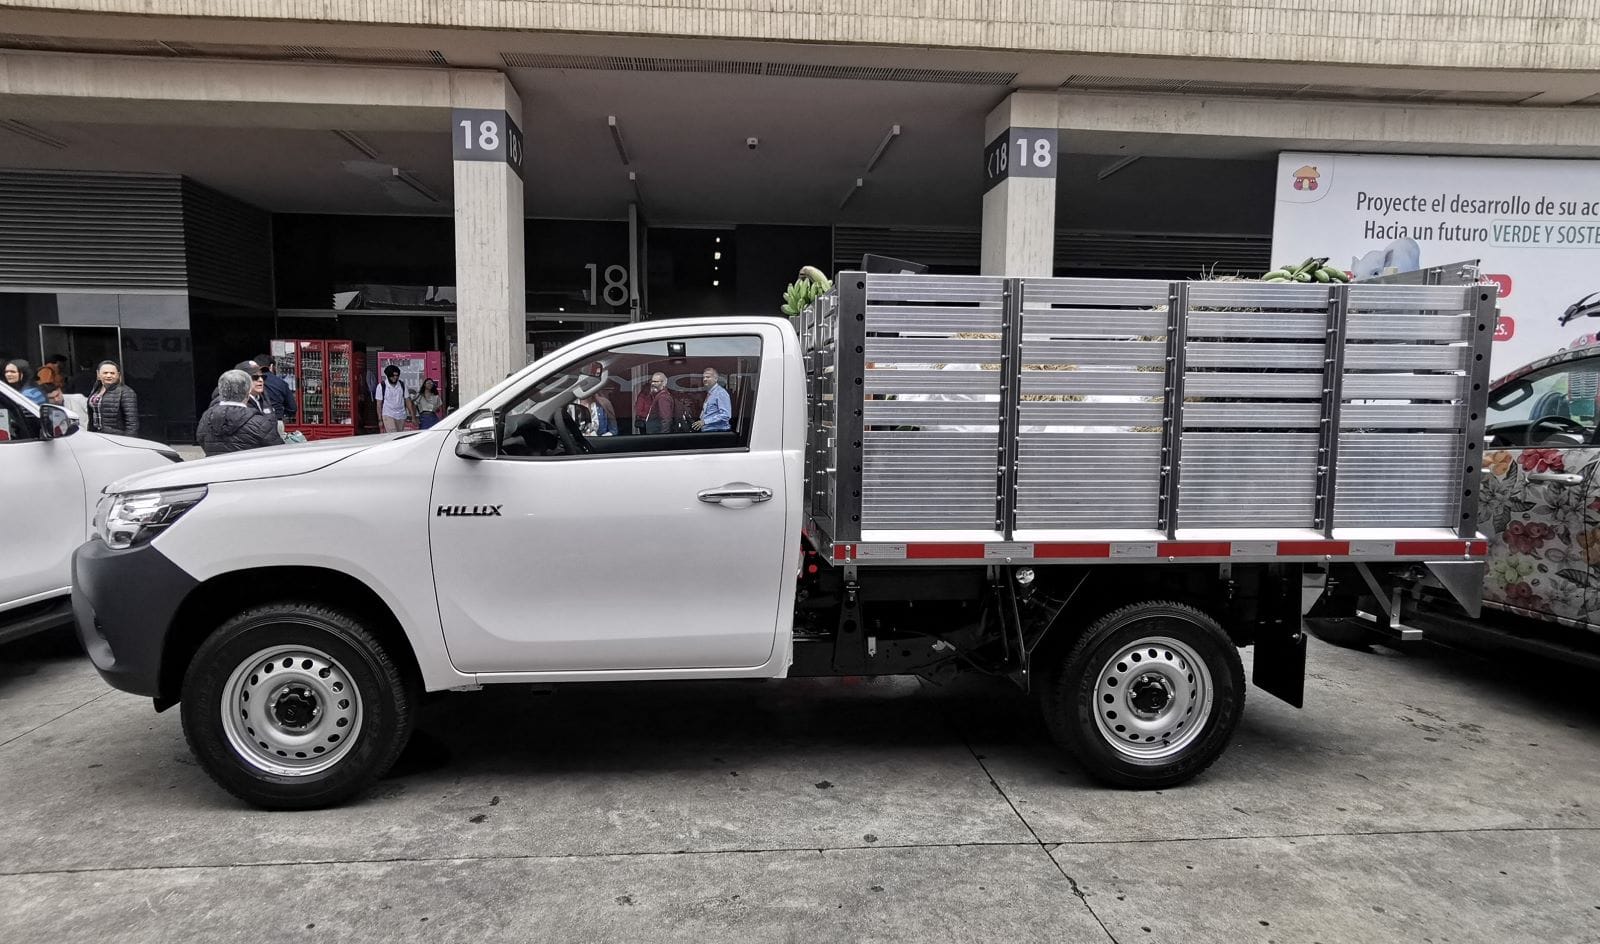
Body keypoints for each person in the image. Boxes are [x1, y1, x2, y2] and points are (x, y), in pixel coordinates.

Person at [196, 369, 282, 455]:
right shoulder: (259, 422)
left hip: (216, 466)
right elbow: (278, 450)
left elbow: (201, 439)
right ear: (248, 392)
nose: (260, 380)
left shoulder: (206, 417)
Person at [88, 360, 138, 436]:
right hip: (97, 435)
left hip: (116, 437)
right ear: (98, 374)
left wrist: (129, 441)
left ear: (118, 375)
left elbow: (132, 423)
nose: (109, 376)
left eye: (112, 373)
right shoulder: (96, 389)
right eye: (105, 373)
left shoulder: (126, 392)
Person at [254, 352, 297, 423]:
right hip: (276, 420)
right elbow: (292, 408)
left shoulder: (249, 381)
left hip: (255, 422)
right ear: (271, 366)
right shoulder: (281, 383)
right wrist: (281, 413)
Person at [693, 367, 731, 432]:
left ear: (716, 379)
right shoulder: (711, 393)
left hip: (717, 431)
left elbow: (726, 415)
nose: (704, 379)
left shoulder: (721, 393)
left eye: (708, 377)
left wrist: (705, 422)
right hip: (708, 431)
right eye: (703, 377)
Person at [375, 364, 409, 433]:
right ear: (388, 376)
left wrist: (413, 416)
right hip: (388, 414)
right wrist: (380, 420)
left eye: (397, 376)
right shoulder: (381, 386)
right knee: (393, 435)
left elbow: (408, 400)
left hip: (401, 415)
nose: (395, 378)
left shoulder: (402, 385)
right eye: (392, 376)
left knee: (399, 436)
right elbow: (379, 404)